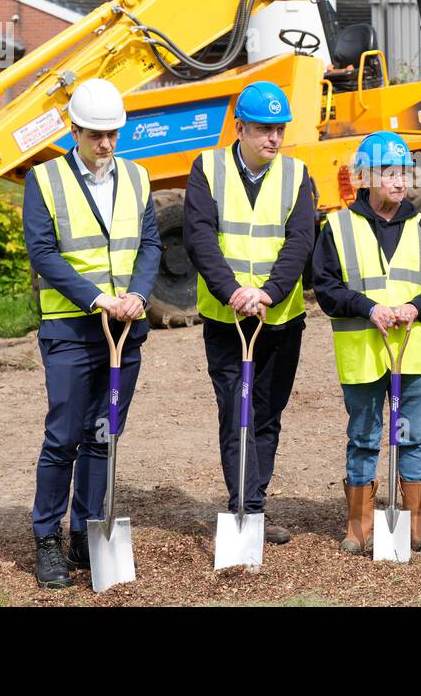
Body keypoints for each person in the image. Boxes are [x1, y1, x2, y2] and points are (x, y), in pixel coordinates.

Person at [23, 78, 162, 589]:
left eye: (113, 134)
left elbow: (150, 245)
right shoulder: (45, 181)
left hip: (126, 329)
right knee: (63, 436)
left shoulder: (138, 177)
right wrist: (97, 298)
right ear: (74, 130)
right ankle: (47, 538)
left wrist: (139, 296)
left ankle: (86, 531)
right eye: (96, 134)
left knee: (103, 435)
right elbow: (43, 254)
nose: (106, 144)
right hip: (70, 329)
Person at [183, 81, 316, 547]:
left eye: (279, 130)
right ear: (239, 127)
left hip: (280, 318)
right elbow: (199, 237)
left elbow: (300, 241)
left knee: (266, 413)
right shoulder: (208, 168)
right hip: (227, 317)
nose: (273, 139)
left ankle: (253, 501)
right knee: (234, 410)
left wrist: (271, 293)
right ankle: (246, 506)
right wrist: (234, 292)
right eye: (263, 129)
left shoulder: (297, 175)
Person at [312, 131, 421, 554]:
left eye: (404, 173)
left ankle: (417, 523)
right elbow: (325, 287)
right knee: (364, 436)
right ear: (365, 177)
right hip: (362, 355)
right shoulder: (337, 227)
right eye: (389, 173)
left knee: (412, 435)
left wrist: (417, 306)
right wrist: (366, 307)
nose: (399, 182)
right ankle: (359, 525)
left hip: (412, 354)